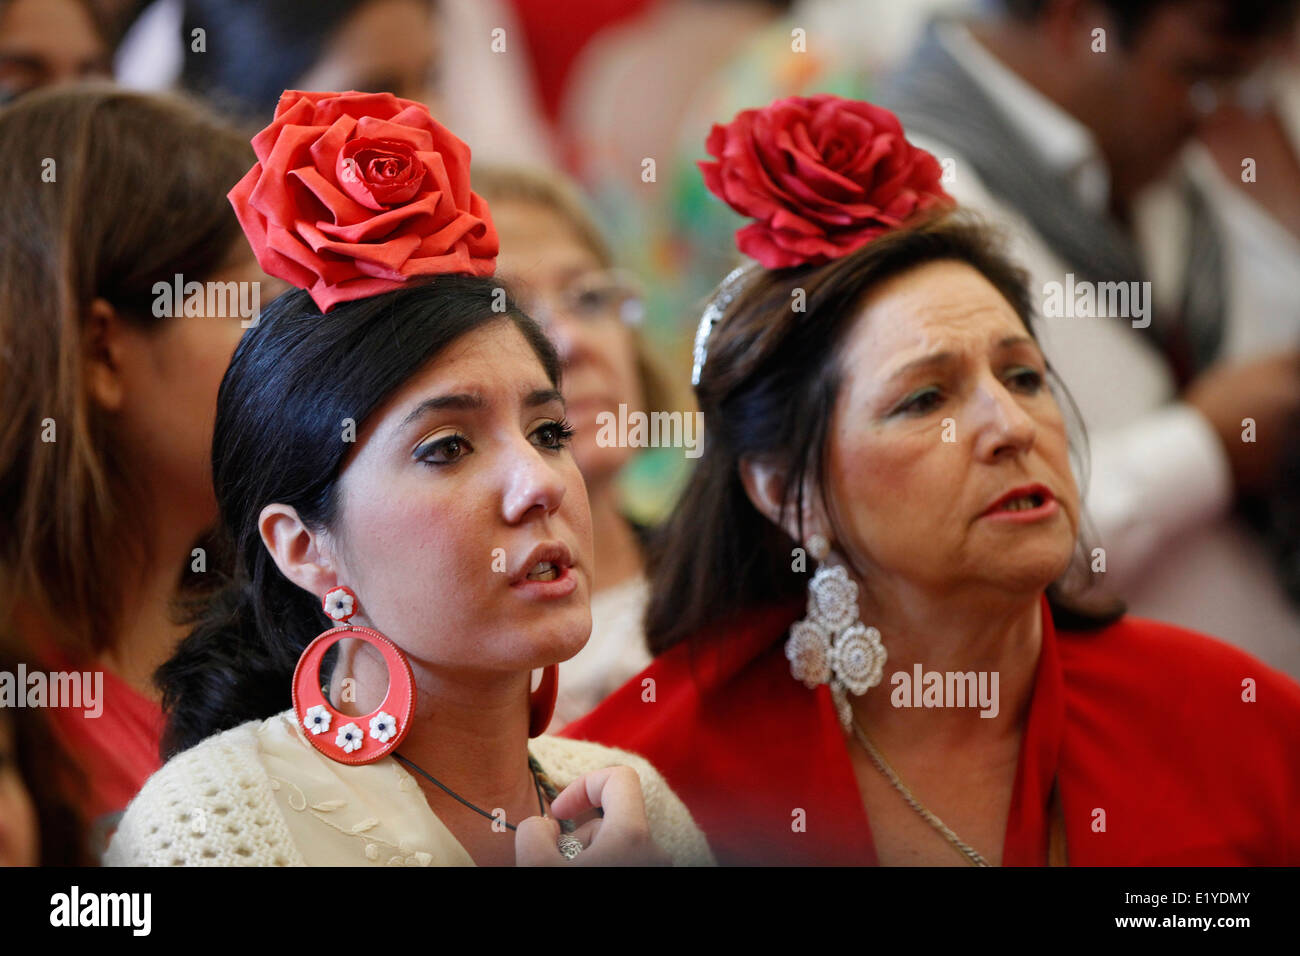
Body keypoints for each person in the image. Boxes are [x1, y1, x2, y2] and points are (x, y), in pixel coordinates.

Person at [562, 94, 1300, 865]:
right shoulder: (646, 787)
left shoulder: (1233, 721)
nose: (1012, 427)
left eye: (1023, 376)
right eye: (924, 398)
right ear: (787, 493)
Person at [105, 90, 713, 867]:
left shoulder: (633, 801)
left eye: (549, 431)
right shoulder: (214, 828)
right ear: (305, 548)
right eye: (447, 448)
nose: (542, 484)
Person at [876, 0, 1300, 675]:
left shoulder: (1152, 156)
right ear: (1076, 21)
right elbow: (939, 549)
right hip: (1097, 741)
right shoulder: (910, 202)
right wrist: (1206, 446)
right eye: (1197, 75)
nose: (1217, 112)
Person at [0, 86, 282, 836]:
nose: (300, 360)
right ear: (100, 352)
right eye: (257, 312)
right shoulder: (23, 712)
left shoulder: (295, 653)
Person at [474, 164, 678, 728]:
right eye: (507, 313)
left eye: (588, 299)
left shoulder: (739, 587)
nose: (569, 342)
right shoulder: (446, 675)